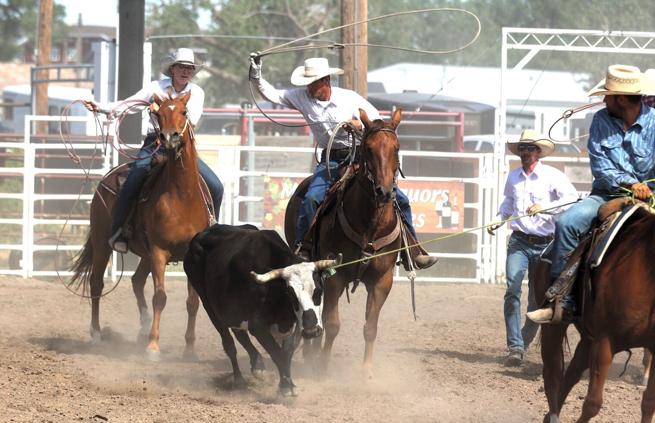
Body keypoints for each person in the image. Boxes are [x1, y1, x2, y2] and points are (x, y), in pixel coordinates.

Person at [527, 64, 655, 324]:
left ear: (621, 99)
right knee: (566, 223)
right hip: (606, 195)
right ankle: (561, 301)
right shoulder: (601, 120)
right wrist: (632, 184)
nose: (603, 100)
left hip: (651, 198)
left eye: (607, 95)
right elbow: (600, 166)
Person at [248, 55, 436, 269]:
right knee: (311, 198)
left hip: (359, 157)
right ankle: (303, 247)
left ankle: (413, 249)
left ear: (325, 81)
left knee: (399, 199)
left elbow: (378, 126)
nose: (308, 87)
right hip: (332, 159)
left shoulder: (350, 98)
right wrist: (256, 74)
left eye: (312, 82)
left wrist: (357, 123)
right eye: (307, 83)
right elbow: (273, 94)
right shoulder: (301, 97)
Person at [84, 48, 224, 253]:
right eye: (181, 67)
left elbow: (191, 119)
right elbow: (129, 104)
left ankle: (212, 227)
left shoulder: (197, 93)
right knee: (136, 175)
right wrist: (102, 107)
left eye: (189, 68)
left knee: (216, 186)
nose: (185, 71)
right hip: (155, 142)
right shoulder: (155, 87)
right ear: (173, 69)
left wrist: (165, 111)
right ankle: (119, 229)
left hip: (182, 145)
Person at [496, 130, 578, 366]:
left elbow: (571, 198)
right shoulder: (513, 177)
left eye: (529, 148)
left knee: (536, 298)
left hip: (545, 244)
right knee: (512, 287)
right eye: (522, 148)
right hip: (519, 240)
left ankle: (522, 341)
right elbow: (508, 203)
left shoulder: (552, 175)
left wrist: (546, 206)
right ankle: (515, 346)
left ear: (538, 152)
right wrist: (500, 217)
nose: (525, 152)